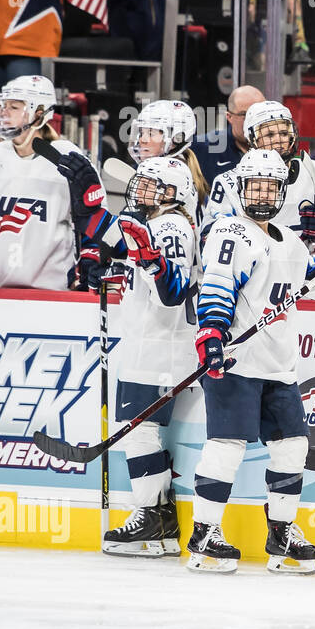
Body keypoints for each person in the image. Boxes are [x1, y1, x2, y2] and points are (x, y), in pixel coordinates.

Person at [190, 149, 315, 574]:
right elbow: (218, 283)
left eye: (270, 185)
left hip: (278, 364)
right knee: (226, 446)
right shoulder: (233, 231)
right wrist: (211, 331)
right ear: (240, 188)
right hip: (235, 361)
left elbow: (309, 290)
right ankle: (204, 532)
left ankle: (281, 531)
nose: (263, 193)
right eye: (254, 185)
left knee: (292, 446)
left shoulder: (294, 242)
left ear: (282, 190)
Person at [99, 155, 196, 558]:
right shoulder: (160, 224)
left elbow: (170, 289)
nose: (141, 192)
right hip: (153, 343)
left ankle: (150, 517)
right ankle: (161, 522)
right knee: (140, 429)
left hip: (161, 346)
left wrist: (142, 259)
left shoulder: (170, 225)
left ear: (173, 194)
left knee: (138, 429)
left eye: (151, 186)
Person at [0, 76, 112, 291]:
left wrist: (91, 265)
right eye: (3, 106)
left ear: (39, 112)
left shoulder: (71, 159)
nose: (4, 112)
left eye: (14, 107)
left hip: (53, 295)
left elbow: (95, 227)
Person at [205, 101, 315, 256]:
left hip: (308, 271)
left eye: (284, 133)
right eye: (270, 134)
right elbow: (211, 236)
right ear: (253, 138)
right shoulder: (229, 181)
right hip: (256, 271)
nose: (279, 140)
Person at [129, 98, 209, 219]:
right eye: (141, 132)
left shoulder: (171, 182)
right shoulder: (175, 171)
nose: (142, 140)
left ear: (176, 138)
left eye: (151, 134)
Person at [193, 84, 262, 187]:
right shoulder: (202, 148)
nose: (253, 120)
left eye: (260, 114)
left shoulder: (277, 150)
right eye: (245, 114)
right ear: (229, 117)